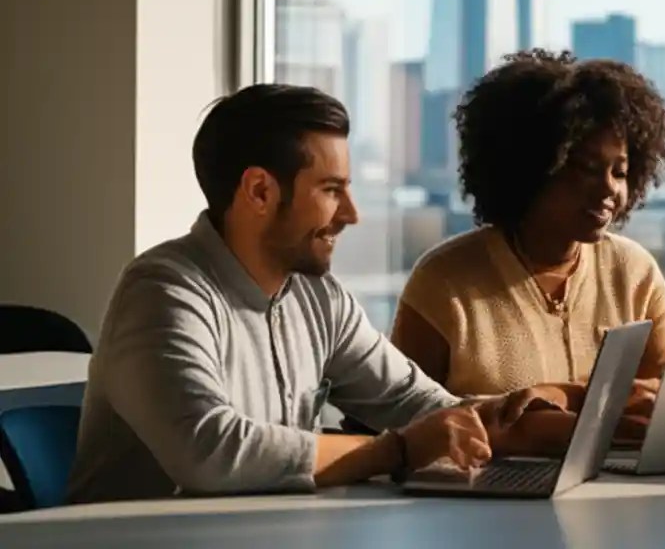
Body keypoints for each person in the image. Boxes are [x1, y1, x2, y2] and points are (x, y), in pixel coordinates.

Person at [68, 85, 558, 504]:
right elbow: (210, 454)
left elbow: (414, 400)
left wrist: (560, 419)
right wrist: (398, 450)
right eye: (331, 190)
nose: (351, 214)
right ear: (259, 191)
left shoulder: (318, 296)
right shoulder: (164, 291)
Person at [390, 49, 665, 451]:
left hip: (615, 494)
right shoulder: (444, 282)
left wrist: (564, 398)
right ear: (528, 166)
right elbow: (405, 421)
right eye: (585, 168)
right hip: (479, 503)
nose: (609, 189)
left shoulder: (633, 271)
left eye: (620, 171)